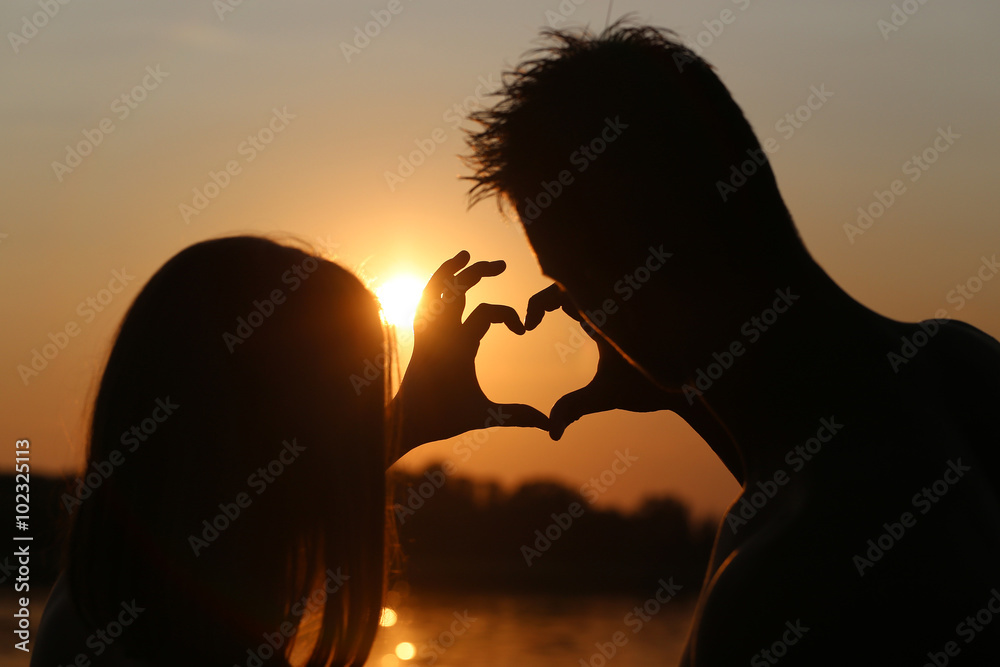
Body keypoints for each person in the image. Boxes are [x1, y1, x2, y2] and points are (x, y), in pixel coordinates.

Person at [464, 21, 1000, 665]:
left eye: (576, 278)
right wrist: (684, 393)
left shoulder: (771, 594)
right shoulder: (962, 364)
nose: (586, 312)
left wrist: (390, 433)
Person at [33, 236, 546, 666]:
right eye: (335, 405)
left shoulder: (99, 604)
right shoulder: (168, 637)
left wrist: (408, 418)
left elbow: (256, 500)